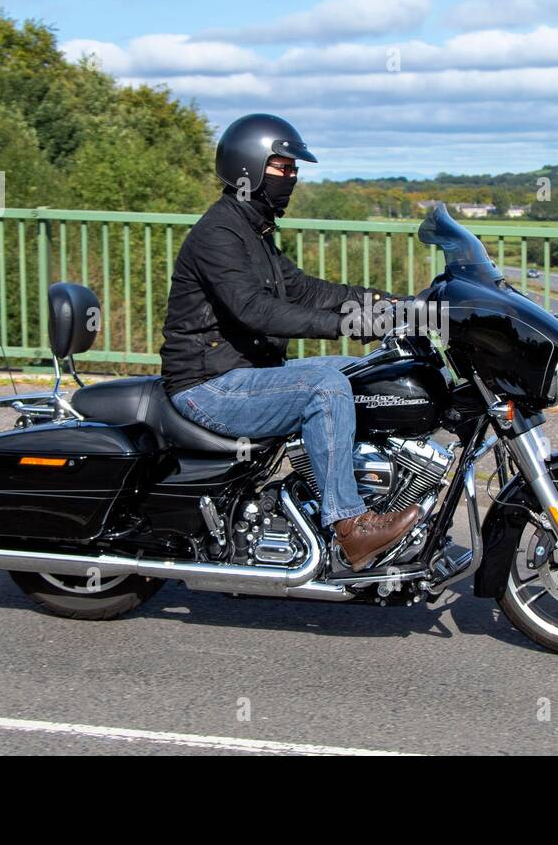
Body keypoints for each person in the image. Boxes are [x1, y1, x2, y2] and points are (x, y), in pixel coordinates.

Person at [160, 113, 419, 570]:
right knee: (325, 386)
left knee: (361, 371)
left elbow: (308, 291)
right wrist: (349, 325)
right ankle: (350, 527)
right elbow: (255, 310)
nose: (292, 178)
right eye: (283, 167)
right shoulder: (218, 233)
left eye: (294, 169)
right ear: (249, 168)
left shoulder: (253, 231)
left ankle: (388, 480)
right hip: (207, 385)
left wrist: (397, 306)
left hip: (246, 375)